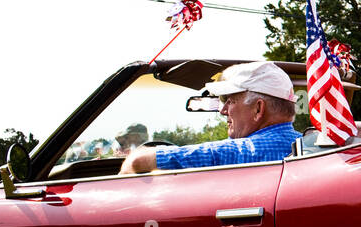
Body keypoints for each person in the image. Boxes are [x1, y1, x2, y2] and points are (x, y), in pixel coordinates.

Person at [120, 62, 300, 173]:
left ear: (258, 109)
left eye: (230, 100)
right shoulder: (313, 147)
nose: (223, 111)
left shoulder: (237, 152)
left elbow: (138, 162)